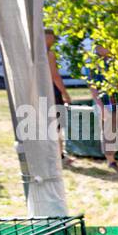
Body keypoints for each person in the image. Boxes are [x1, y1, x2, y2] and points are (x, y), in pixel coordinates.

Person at [87, 44, 118, 171]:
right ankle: (111, 161)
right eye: (105, 45)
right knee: (109, 133)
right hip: (106, 104)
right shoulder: (93, 65)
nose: (109, 48)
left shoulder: (116, 62)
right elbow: (93, 89)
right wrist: (101, 107)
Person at [45, 29, 73, 167]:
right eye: (51, 38)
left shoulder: (31, 54)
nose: (53, 41)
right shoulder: (49, 54)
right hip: (51, 92)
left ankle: (54, 155)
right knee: (56, 126)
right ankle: (58, 157)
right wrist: (65, 93)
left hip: (39, 92)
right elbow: (55, 76)